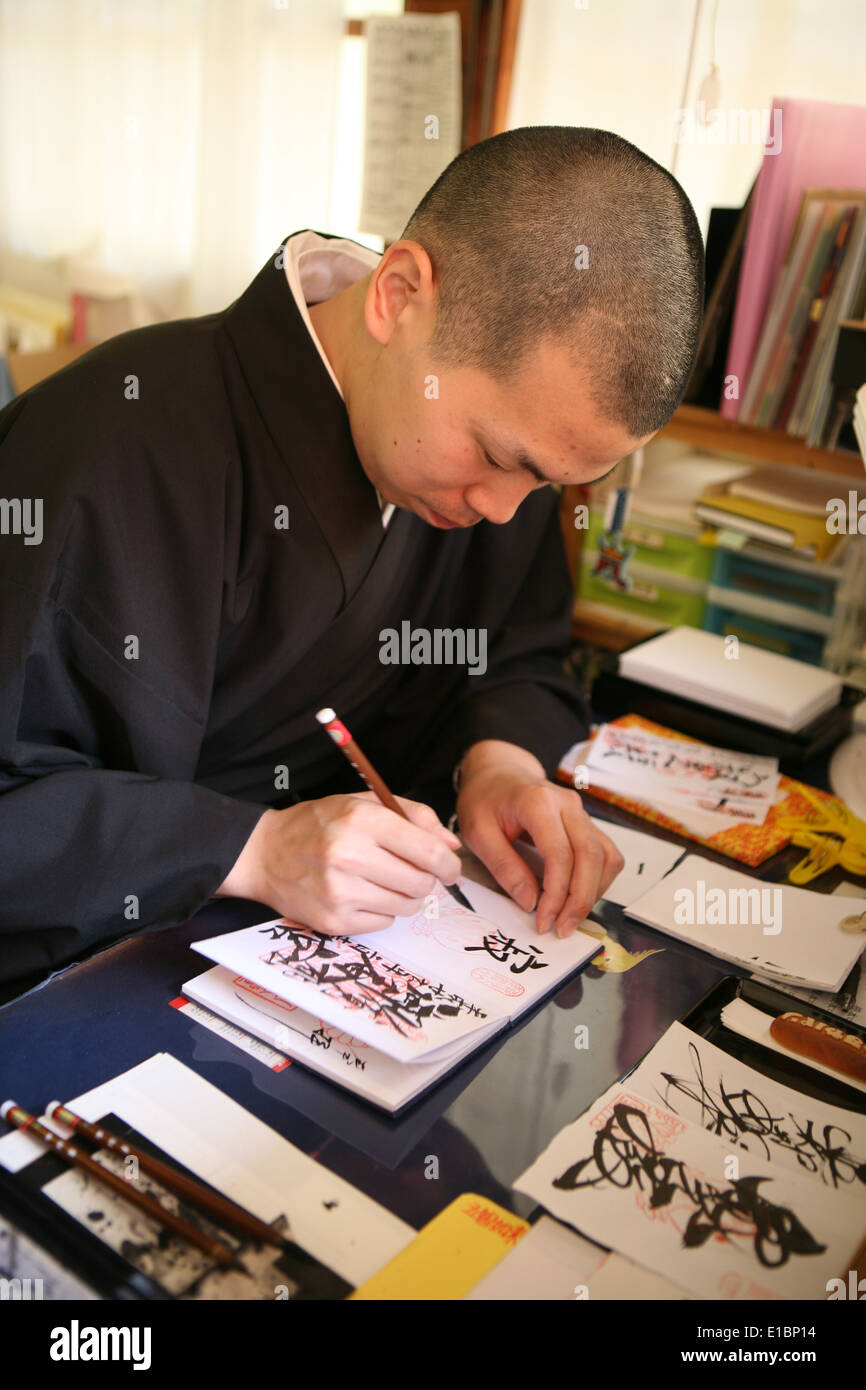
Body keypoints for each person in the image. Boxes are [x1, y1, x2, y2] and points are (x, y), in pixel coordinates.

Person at [0, 126, 704, 990]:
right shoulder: (103, 445)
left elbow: (514, 653)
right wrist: (254, 850)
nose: (502, 510)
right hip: (108, 983)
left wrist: (499, 763)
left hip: (369, 957)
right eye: (497, 456)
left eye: (550, 482)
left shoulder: (505, 461)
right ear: (398, 296)